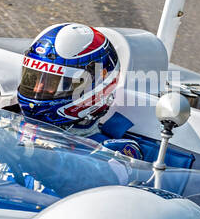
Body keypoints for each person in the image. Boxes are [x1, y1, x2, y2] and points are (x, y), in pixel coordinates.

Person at [15, 23, 141, 158]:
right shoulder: (9, 125)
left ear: (97, 87)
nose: (37, 88)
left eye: (52, 83)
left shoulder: (113, 152)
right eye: (33, 79)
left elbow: (85, 173)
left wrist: (44, 159)